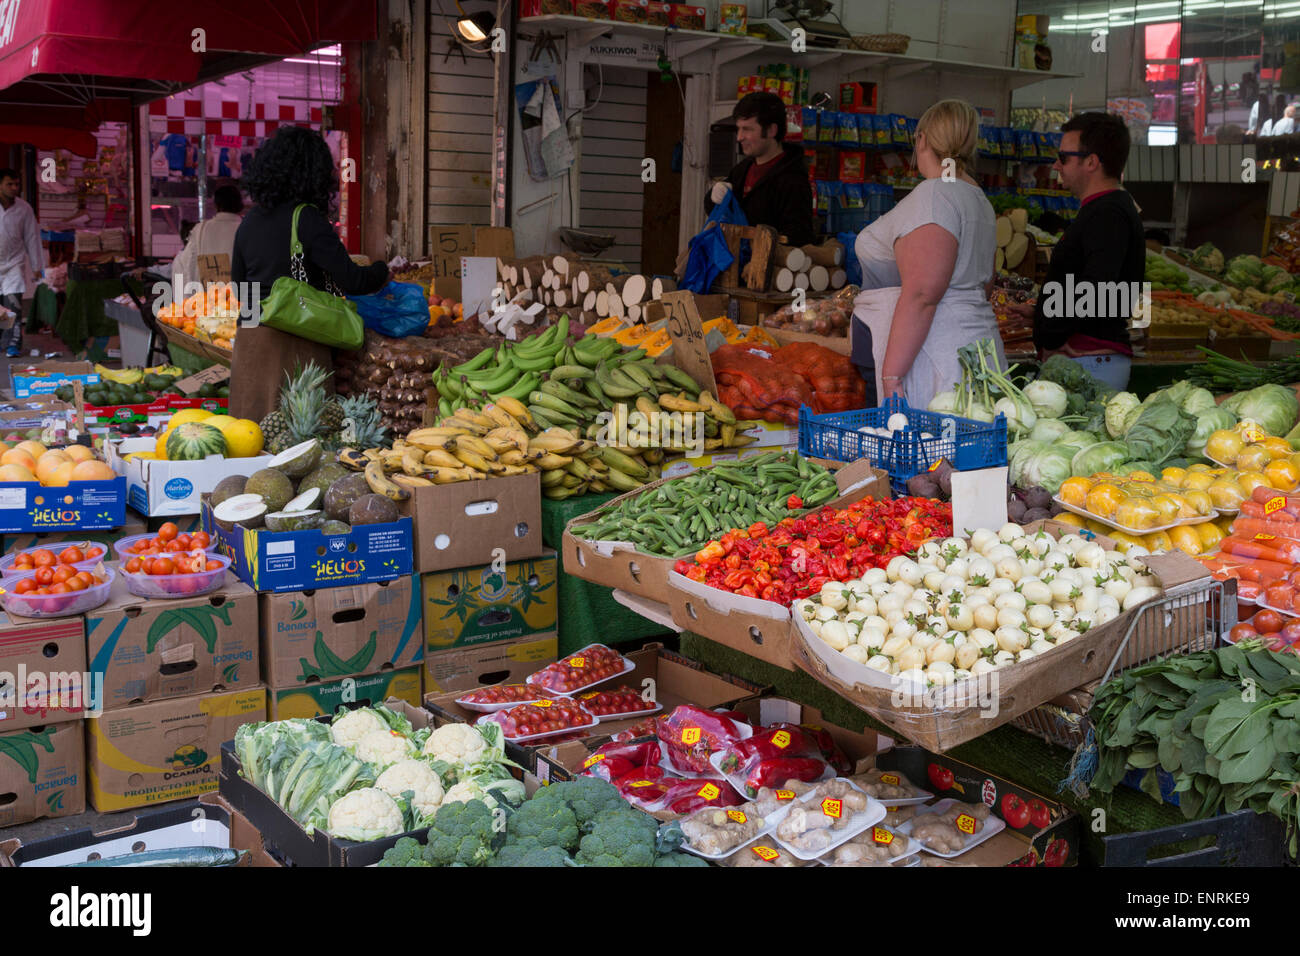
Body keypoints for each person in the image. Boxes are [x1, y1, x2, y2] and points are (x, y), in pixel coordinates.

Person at [849, 99, 1003, 411]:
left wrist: (891, 376)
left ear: (921, 139)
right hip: (967, 351)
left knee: (928, 457)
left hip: (931, 362)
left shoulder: (935, 194)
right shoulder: (977, 198)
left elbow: (922, 294)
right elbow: (985, 284)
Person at [229, 127, 388, 422]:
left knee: (249, 440)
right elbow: (352, 281)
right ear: (313, 173)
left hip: (250, 345)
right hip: (295, 343)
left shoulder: (250, 221)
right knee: (295, 447)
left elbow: (240, 287)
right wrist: (382, 270)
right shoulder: (307, 219)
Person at [1029, 112, 1144, 390]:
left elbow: (1098, 290)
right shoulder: (1105, 209)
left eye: (1064, 157)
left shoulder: (1108, 214)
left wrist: (1049, 327)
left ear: (1091, 162)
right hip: (1087, 362)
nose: (1057, 165)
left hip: (1089, 364)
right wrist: (1041, 311)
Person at [705, 92, 814, 246]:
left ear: (771, 130)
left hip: (768, 267)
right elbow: (715, 211)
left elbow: (799, 237)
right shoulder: (743, 169)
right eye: (739, 129)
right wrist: (713, 197)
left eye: (747, 129)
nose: (739, 137)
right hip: (736, 263)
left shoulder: (793, 181)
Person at [0, 168, 46, 358]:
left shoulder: (24, 208)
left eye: (16, 184)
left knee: (13, 307)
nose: (14, 188)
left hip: (14, 264)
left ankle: (12, 344)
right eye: (9, 184)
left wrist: (37, 267)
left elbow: (32, 238)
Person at [170, 185, 244, 291]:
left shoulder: (201, 229)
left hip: (207, 300)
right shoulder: (247, 228)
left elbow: (188, 266)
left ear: (216, 205)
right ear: (240, 205)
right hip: (241, 300)